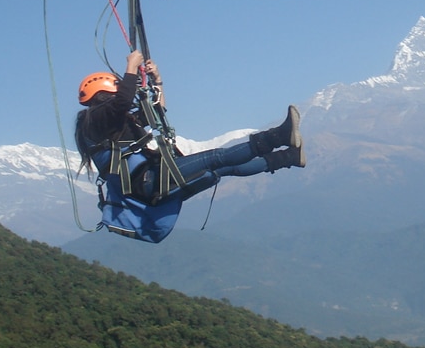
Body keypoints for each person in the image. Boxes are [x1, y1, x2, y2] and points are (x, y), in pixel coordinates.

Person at [75, 51, 304, 242]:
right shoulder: (93, 120)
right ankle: (279, 136)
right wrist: (131, 65)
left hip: (150, 182)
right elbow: (124, 99)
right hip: (150, 180)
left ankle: (288, 158)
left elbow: (157, 112)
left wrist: (158, 80)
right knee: (217, 158)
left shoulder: (113, 126)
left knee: (222, 168)